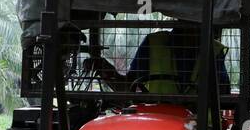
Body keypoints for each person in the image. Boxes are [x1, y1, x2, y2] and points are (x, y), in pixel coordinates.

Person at [88, 21, 230, 96]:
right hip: (158, 120)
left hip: (202, 127)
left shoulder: (213, 50)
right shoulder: (153, 43)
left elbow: (223, 95)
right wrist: (104, 69)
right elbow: (128, 85)